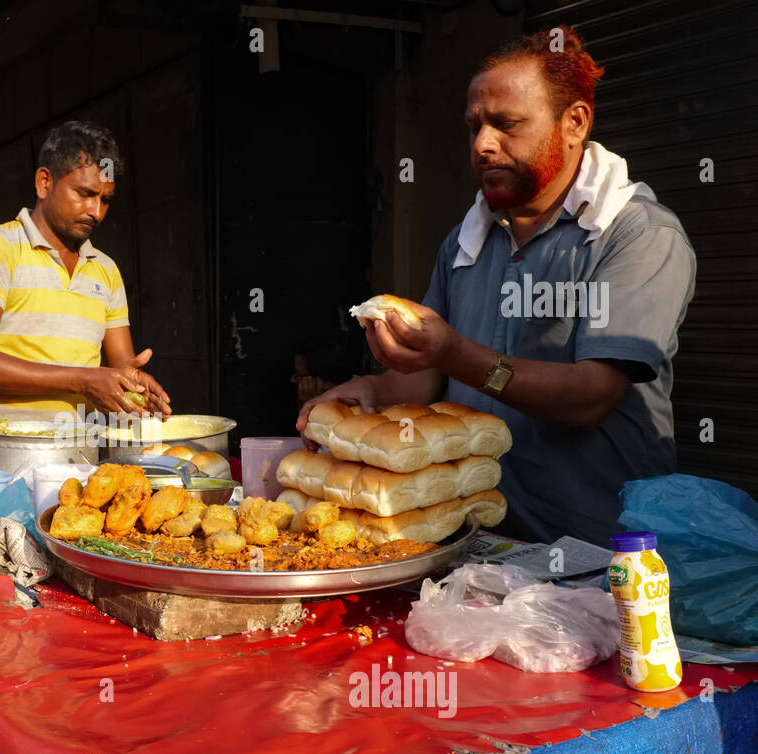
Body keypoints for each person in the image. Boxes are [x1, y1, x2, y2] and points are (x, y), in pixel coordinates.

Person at [298, 26, 695, 546]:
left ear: (574, 122)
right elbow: (428, 379)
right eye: (474, 127)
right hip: (476, 540)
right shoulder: (466, 241)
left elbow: (590, 396)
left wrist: (457, 352)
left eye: (506, 124)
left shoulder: (636, 233)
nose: (484, 144)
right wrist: (372, 389)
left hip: (597, 554)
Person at [0, 120, 171, 422]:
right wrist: (83, 379)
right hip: (3, 455)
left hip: (82, 455)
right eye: (85, 193)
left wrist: (132, 386)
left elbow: (120, 367)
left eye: (105, 200)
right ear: (44, 183)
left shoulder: (105, 269)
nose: (96, 211)